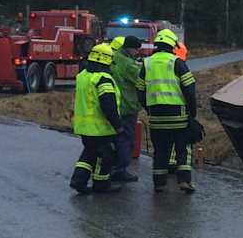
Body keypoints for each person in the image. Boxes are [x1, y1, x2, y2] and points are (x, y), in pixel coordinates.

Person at [137, 29, 198, 193]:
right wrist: (192, 112)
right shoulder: (177, 62)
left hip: (156, 116)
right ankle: (184, 181)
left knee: (161, 151)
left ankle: (159, 183)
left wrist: (148, 108)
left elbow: (140, 90)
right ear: (172, 45)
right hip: (178, 114)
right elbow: (190, 89)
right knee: (182, 149)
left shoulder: (146, 63)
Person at [70, 43, 124, 194]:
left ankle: (78, 181)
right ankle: (101, 185)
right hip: (101, 128)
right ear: (107, 61)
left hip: (84, 127)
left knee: (89, 153)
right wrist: (118, 125)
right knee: (107, 155)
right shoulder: (103, 79)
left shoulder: (83, 76)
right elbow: (108, 105)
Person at [108, 36, 143, 183]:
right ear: (132, 48)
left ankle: (109, 168)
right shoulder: (128, 64)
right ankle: (120, 170)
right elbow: (140, 78)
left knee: (113, 139)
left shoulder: (114, 57)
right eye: (137, 50)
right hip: (127, 106)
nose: (137, 53)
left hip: (112, 105)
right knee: (126, 139)